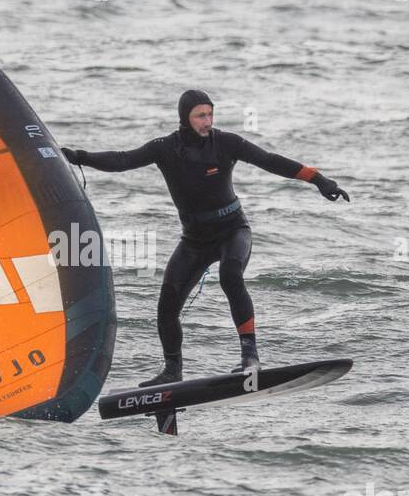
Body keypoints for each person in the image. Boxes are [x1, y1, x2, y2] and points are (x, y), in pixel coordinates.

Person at [60, 89, 349, 387]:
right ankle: (172, 370)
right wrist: (77, 157)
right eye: (200, 115)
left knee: (231, 275)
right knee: (167, 303)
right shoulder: (165, 148)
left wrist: (318, 179)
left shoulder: (226, 143)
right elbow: (122, 160)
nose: (207, 121)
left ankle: (250, 356)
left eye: (210, 114)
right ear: (185, 118)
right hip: (194, 240)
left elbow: (271, 161)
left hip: (233, 230)